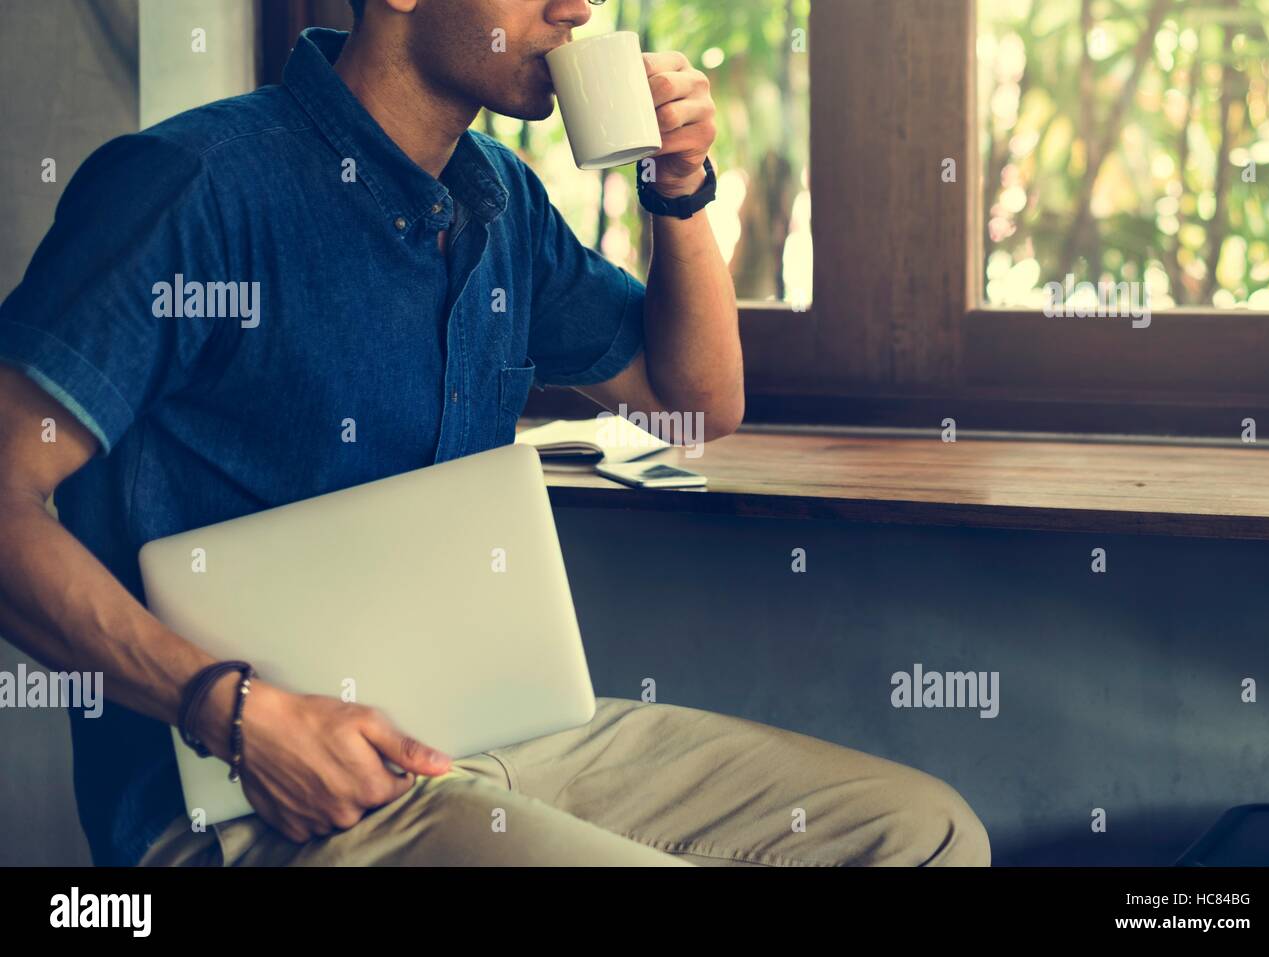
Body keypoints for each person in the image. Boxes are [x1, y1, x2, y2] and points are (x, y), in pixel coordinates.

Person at [0, 0, 990, 867]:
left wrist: (678, 189)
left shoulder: (496, 199)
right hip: (243, 797)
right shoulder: (188, 187)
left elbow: (694, 405)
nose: (578, 7)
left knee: (922, 832)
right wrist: (233, 711)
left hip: (481, 733)